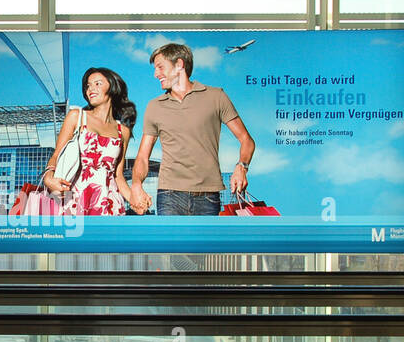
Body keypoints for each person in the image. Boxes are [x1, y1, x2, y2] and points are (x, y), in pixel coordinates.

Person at [130, 43, 256, 216]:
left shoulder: (216, 97)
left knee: (206, 245)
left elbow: (246, 140)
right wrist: (136, 185)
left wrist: (242, 167)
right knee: (170, 244)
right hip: (169, 195)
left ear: (179, 64)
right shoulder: (154, 107)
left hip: (208, 197)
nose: (156, 74)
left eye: (160, 67)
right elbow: (143, 156)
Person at [44, 67, 141, 215]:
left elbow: (118, 176)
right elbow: (56, 155)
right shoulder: (76, 117)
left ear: (112, 86)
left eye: (98, 83)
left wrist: (136, 201)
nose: (91, 89)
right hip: (75, 200)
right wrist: (48, 177)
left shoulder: (123, 131)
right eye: (88, 85)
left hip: (109, 205)